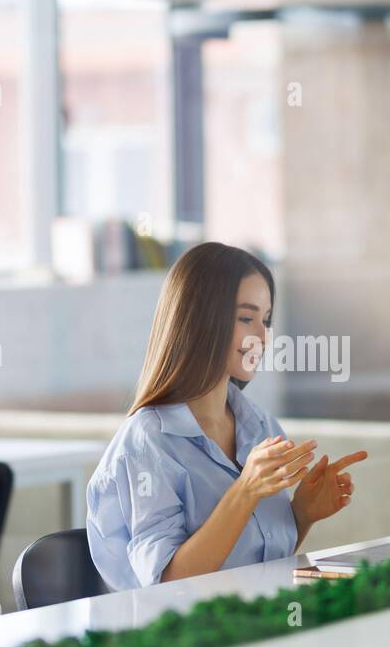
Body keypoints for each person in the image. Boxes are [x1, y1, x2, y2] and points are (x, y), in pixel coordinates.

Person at [86, 242, 368, 590]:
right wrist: (245, 490)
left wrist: (302, 514)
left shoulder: (260, 425)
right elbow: (168, 584)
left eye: (266, 321)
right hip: (188, 638)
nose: (263, 337)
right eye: (247, 319)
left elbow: (257, 563)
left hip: (255, 620)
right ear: (199, 318)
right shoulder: (148, 442)